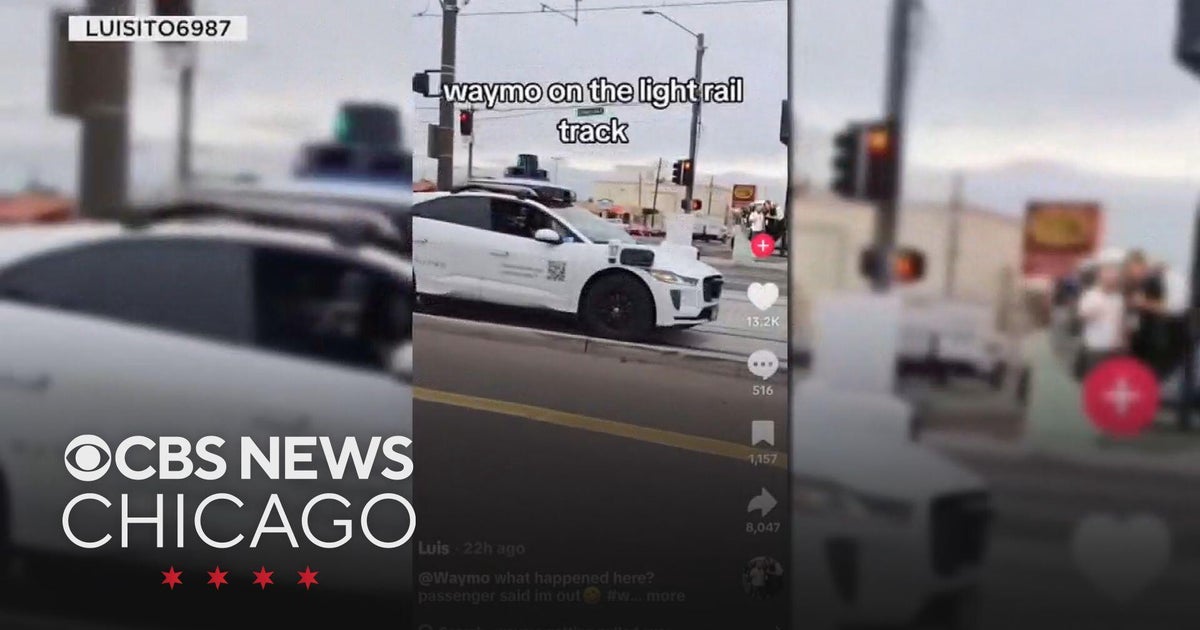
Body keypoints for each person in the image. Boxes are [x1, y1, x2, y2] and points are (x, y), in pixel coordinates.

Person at [1124, 249, 1189, 377]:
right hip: (1143, 340)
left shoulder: (1166, 279)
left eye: (1133, 268)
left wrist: (1142, 303)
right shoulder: (1140, 282)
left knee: (1154, 376)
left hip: (1160, 341)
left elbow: (1175, 308)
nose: (1131, 273)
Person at [1076, 261, 1127, 378]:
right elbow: (1081, 316)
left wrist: (1122, 341)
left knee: (1110, 382)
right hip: (1095, 347)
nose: (1112, 279)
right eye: (1108, 276)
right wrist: (1093, 313)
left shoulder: (1118, 298)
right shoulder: (1091, 295)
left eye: (1114, 277)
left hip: (1114, 348)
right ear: (1100, 277)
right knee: (1095, 381)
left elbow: (1120, 321)